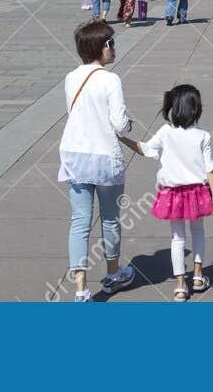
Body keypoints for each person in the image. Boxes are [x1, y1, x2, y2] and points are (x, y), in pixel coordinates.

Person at [60, 20, 142, 301]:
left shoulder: (71, 77)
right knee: (110, 219)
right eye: (111, 43)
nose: (114, 48)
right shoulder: (110, 79)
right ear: (100, 47)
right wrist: (129, 125)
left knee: (80, 221)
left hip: (75, 155)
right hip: (105, 157)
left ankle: (80, 289)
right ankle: (112, 274)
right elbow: (119, 124)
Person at [141, 84, 213, 301]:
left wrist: (121, 139)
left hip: (173, 193)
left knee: (177, 238)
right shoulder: (203, 135)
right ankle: (197, 276)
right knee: (198, 231)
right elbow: (209, 168)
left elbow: (146, 149)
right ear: (195, 109)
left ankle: (179, 285)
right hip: (197, 191)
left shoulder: (166, 132)